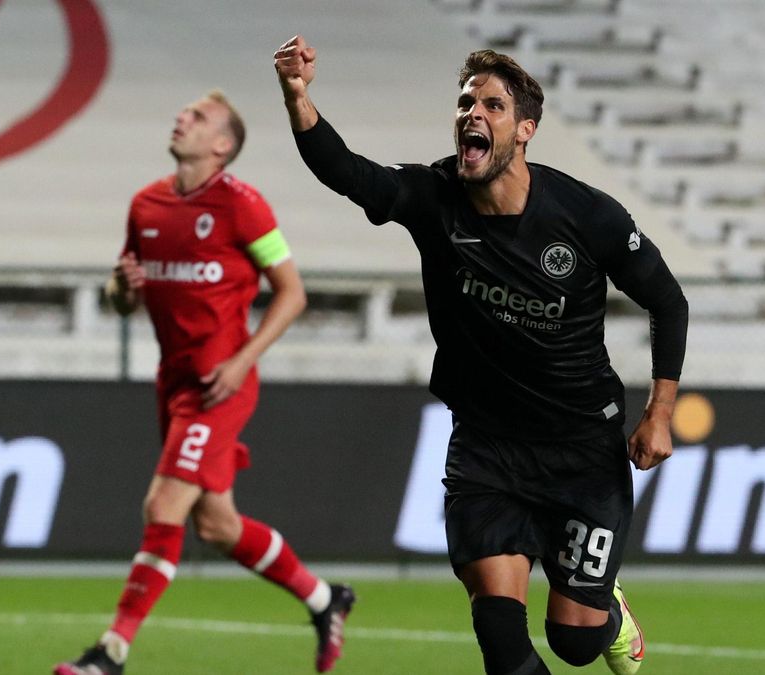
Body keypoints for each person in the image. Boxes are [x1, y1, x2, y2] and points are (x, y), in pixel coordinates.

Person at [274, 37, 688, 675]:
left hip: (581, 447)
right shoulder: (433, 198)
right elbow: (346, 171)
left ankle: (606, 612)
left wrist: (660, 411)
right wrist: (298, 96)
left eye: (492, 105)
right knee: (498, 630)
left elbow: (668, 300)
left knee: (576, 643)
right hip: (487, 448)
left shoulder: (585, 216)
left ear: (524, 130)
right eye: (466, 102)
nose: (472, 113)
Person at [54, 89, 355, 675]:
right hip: (173, 382)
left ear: (222, 146)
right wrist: (120, 286)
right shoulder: (145, 205)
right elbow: (122, 302)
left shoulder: (244, 207)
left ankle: (110, 653)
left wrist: (243, 360)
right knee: (216, 524)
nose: (180, 117)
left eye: (195, 117)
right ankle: (325, 599)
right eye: (182, 112)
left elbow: (293, 294)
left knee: (162, 504)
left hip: (221, 386)